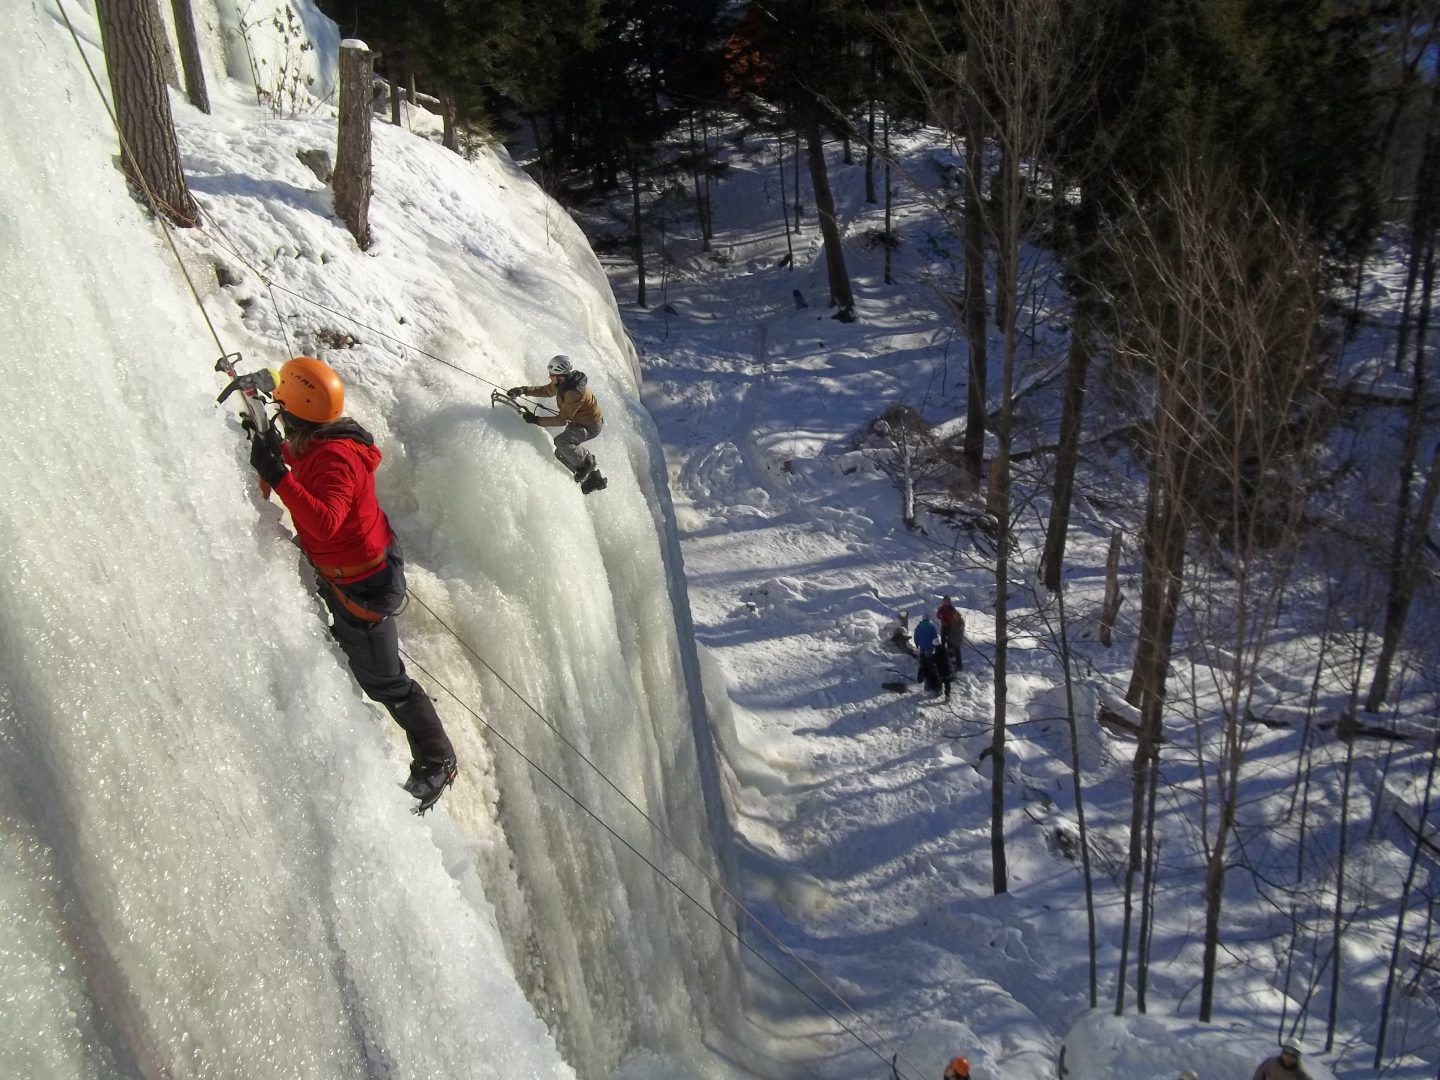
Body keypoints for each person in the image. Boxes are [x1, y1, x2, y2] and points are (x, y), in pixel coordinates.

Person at [249, 356, 458, 808]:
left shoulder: (336, 458)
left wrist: (278, 477)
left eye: (282, 414)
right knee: (362, 655)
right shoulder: (318, 441)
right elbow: (292, 456)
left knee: (385, 682)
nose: (280, 421)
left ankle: (438, 760)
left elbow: (324, 522)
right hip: (358, 570)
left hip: (365, 585)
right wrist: (270, 448)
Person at [507, 354, 606, 492]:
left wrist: (536, 420)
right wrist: (523, 390)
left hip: (590, 426)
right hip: (580, 422)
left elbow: (561, 420)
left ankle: (588, 462)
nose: (550, 378)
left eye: (552, 376)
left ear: (561, 377)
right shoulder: (565, 383)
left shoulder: (573, 392)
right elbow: (546, 391)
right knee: (561, 453)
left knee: (562, 442)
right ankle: (592, 474)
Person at [914, 613, 940, 692]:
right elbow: (935, 637)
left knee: (922, 659)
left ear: (922, 618)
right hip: (930, 647)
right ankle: (928, 673)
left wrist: (916, 643)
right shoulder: (931, 627)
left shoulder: (919, 627)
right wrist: (936, 646)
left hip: (922, 645)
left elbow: (916, 636)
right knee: (929, 662)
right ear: (928, 619)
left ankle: (922, 671)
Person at [936, 595, 964, 669]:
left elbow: (957, 618)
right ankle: (943, 658)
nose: (946, 602)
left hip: (951, 628)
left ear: (950, 601)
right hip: (944, 627)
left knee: (950, 644)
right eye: (945, 601)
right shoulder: (941, 608)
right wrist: (941, 616)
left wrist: (953, 622)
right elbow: (938, 615)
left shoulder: (952, 609)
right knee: (943, 642)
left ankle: (951, 659)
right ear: (943, 601)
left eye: (948, 601)